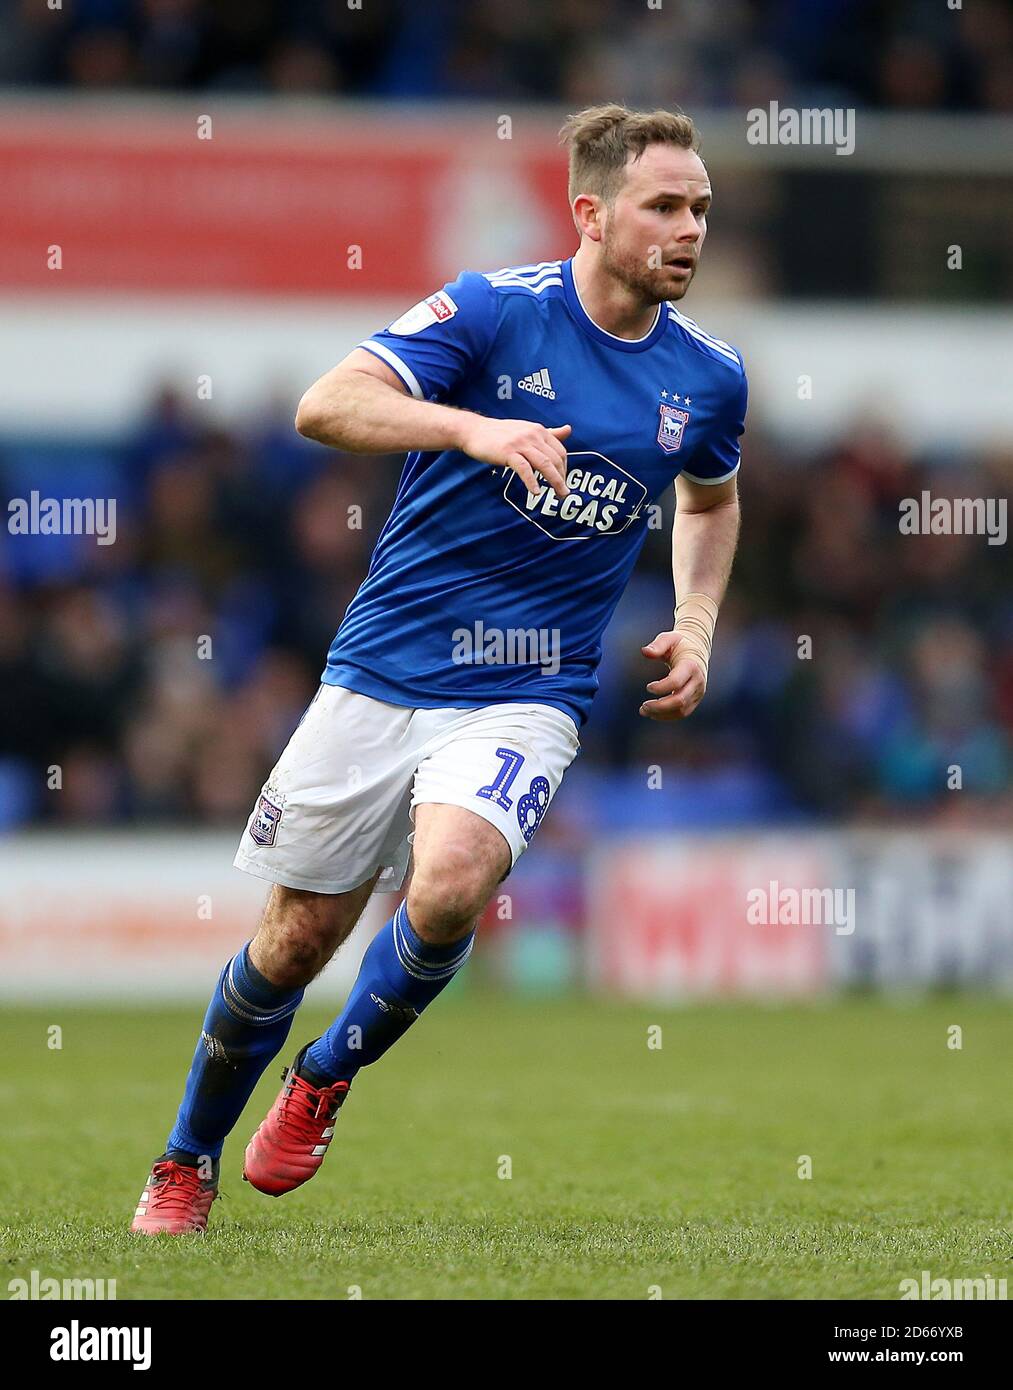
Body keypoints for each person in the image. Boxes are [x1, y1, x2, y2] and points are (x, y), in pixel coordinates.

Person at [131, 102, 747, 1234]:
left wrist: (696, 616)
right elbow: (327, 403)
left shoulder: (708, 377)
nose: (688, 228)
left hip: (531, 687)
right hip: (383, 665)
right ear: (590, 213)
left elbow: (708, 496)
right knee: (293, 941)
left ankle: (322, 1075)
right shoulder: (490, 310)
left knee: (452, 879)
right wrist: (470, 429)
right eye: (663, 205)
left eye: (699, 208)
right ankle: (184, 1158)